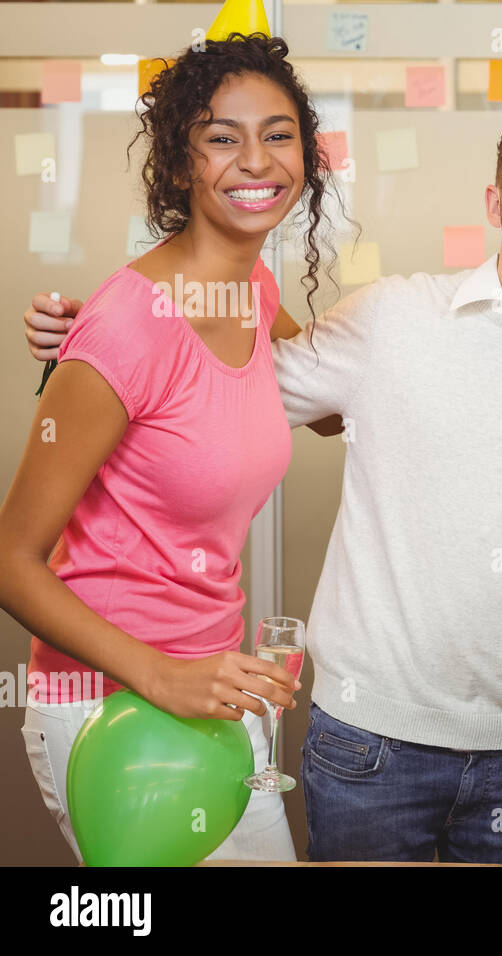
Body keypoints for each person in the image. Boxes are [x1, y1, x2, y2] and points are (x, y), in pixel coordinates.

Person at [25, 88, 502, 863]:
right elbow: (206, 365)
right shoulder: (394, 319)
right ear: (496, 200)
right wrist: (97, 336)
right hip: (365, 746)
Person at [0, 33, 338, 862]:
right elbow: (10, 558)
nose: (256, 159)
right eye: (223, 137)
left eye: (279, 133)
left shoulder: (252, 290)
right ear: (180, 163)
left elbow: (329, 399)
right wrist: (160, 674)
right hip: (114, 705)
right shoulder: (125, 324)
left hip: (215, 692)